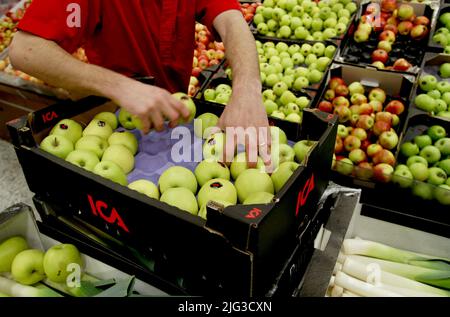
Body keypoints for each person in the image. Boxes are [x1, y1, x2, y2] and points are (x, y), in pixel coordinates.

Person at [9, 0, 271, 166]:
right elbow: (25, 49)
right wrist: (121, 86)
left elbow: (231, 19)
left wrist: (247, 88)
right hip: (116, 127)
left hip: (175, 118)